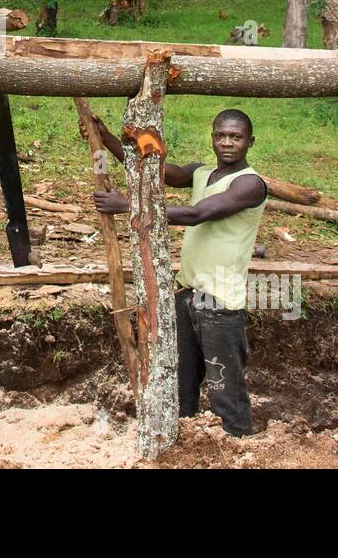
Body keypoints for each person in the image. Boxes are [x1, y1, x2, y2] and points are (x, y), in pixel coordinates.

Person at [84, 108, 267, 437]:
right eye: (220, 135)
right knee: (181, 386)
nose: (227, 142)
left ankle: (241, 448)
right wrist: (106, 137)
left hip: (219, 302)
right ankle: (186, 446)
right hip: (187, 295)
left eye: (236, 137)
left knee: (226, 391)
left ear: (250, 142)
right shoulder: (202, 172)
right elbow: (153, 170)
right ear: (212, 137)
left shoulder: (250, 184)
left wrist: (130, 207)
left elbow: (197, 214)